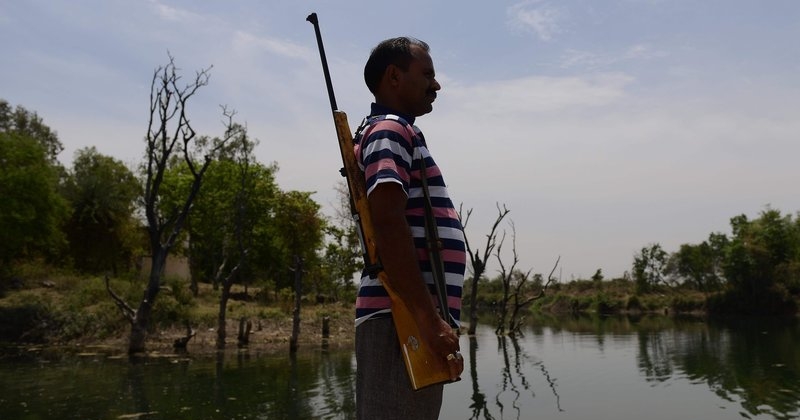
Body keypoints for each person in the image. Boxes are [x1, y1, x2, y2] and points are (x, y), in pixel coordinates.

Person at [354, 37, 467, 420]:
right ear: (394, 77)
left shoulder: (399, 131)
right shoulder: (390, 130)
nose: (436, 85)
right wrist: (427, 318)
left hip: (407, 319)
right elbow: (387, 219)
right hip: (398, 320)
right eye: (428, 74)